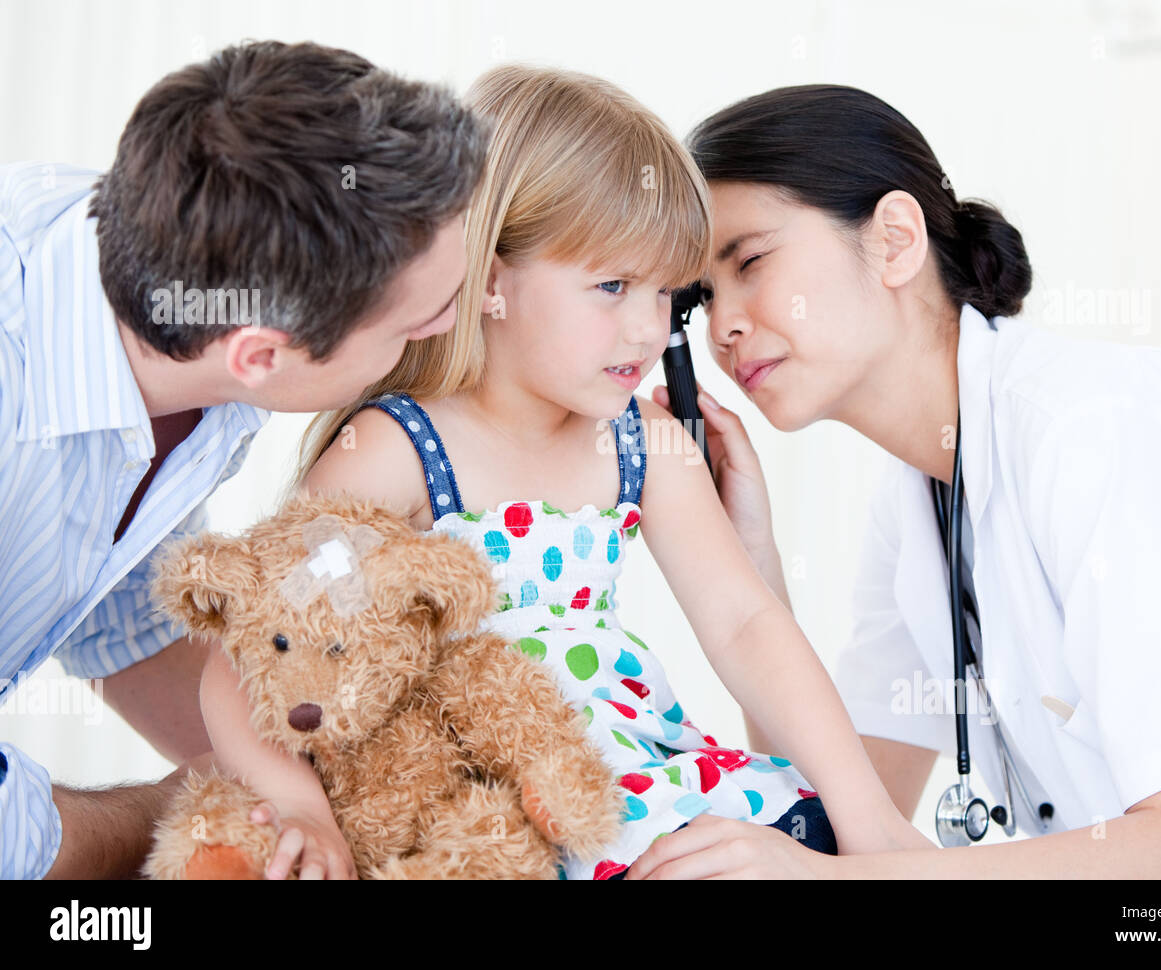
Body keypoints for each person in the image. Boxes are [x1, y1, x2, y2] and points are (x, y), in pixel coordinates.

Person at [201, 64, 923, 881]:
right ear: (491, 277)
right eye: (612, 286)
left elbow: (745, 625)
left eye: (666, 293)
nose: (649, 328)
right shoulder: (397, 449)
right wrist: (301, 810)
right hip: (477, 824)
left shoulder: (641, 443)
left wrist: (870, 820)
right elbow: (251, 653)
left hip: (621, 794)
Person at [627, 83, 1161, 879]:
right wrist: (746, 562)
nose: (722, 325)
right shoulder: (920, 498)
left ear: (895, 240)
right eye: (703, 298)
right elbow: (844, 818)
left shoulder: (1089, 429)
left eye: (750, 262)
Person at [0, 39, 486, 879]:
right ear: (264, 353)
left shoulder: (195, 297)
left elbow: (120, 618)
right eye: (418, 321)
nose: (455, 321)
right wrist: (188, 808)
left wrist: (323, 799)